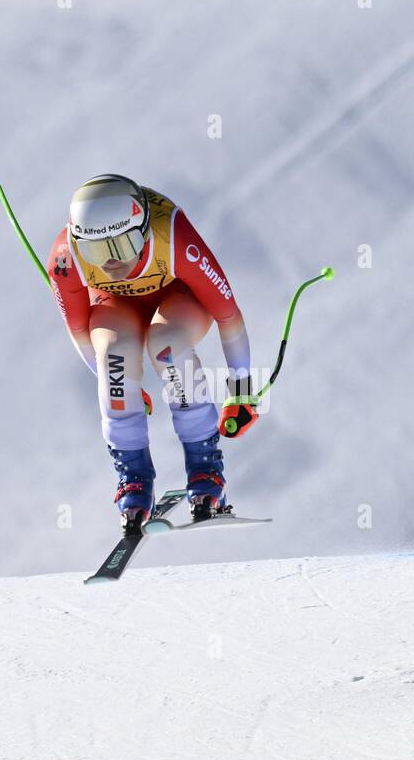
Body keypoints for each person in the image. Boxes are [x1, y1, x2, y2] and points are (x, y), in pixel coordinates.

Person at [44, 174, 257, 529]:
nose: (112, 263)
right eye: (98, 251)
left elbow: (228, 315)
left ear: (144, 230)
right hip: (115, 306)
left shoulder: (173, 238)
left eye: (124, 245)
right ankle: (133, 475)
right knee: (115, 354)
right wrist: (120, 385)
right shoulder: (67, 259)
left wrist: (243, 391)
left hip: (177, 298)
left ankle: (204, 464)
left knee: (167, 345)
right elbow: (79, 332)